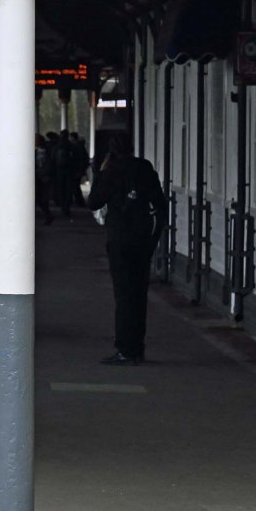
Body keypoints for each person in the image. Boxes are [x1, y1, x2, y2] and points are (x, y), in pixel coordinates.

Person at [86, 132, 167, 365]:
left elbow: (94, 202)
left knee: (123, 295)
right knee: (139, 294)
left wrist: (100, 173)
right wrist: (153, 238)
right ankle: (137, 347)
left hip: (120, 239)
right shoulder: (145, 167)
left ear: (111, 151)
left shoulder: (112, 171)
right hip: (142, 238)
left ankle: (125, 349)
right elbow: (159, 204)